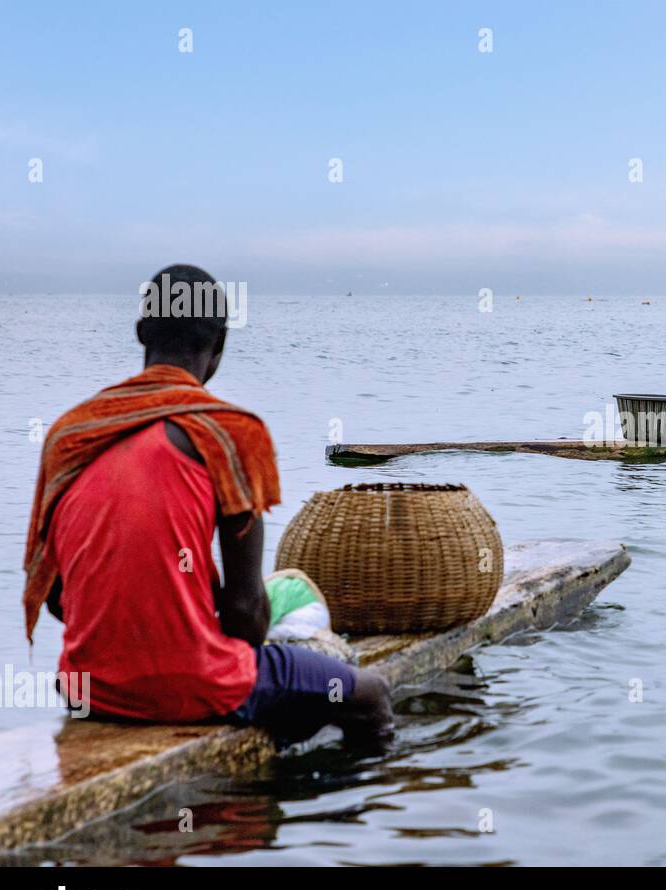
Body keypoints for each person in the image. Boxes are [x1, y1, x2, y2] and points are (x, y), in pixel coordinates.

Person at [23, 264, 393, 746]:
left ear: (140, 333)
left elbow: (56, 598)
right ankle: (343, 811)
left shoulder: (70, 434)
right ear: (219, 345)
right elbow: (244, 615)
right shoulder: (229, 433)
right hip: (191, 686)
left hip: (87, 689)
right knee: (370, 696)